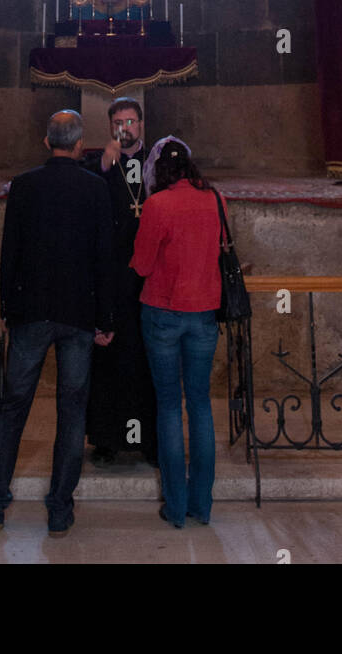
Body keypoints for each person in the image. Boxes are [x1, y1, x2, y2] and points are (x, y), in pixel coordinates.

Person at [0, 110, 114, 537]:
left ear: (46, 141)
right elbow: (104, 259)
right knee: (72, 413)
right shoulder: (94, 188)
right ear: (78, 143)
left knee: (13, 408)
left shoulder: (25, 186)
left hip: (30, 313)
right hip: (79, 315)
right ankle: (59, 510)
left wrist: (10, 311)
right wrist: (105, 318)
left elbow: (9, 253)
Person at [130, 137, 227, 529]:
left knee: (169, 406)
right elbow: (220, 247)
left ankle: (175, 507)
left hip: (164, 313)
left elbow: (140, 264)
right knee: (200, 404)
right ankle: (201, 505)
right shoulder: (216, 200)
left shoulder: (157, 205)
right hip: (205, 311)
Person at [82, 97, 158, 467]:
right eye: (118, 123)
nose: (124, 129)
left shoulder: (158, 163)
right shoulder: (98, 165)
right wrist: (105, 163)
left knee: (146, 360)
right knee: (109, 359)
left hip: (148, 277)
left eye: (130, 122)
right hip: (111, 276)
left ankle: (149, 441)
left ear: (141, 125)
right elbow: (87, 204)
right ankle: (108, 439)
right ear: (110, 127)